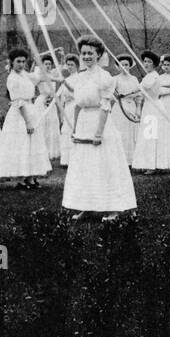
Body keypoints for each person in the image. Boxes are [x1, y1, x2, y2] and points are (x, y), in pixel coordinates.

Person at [61, 36, 136, 221]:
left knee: (104, 164)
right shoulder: (79, 77)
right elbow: (78, 105)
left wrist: (98, 133)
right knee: (85, 166)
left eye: (90, 53)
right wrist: (75, 129)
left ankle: (113, 208)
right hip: (84, 122)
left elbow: (105, 106)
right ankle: (87, 205)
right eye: (83, 53)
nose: (86, 56)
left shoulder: (105, 77)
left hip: (99, 123)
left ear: (99, 55)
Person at [0, 48, 51, 187]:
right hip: (20, 115)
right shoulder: (12, 78)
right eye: (18, 61)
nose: (21, 64)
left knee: (31, 144)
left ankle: (29, 177)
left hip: (31, 109)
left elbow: (37, 78)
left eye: (23, 61)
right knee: (20, 144)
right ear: (11, 62)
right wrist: (28, 122)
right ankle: (19, 178)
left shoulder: (24, 74)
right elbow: (18, 102)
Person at [131, 50, 170, 172]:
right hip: (149, 106)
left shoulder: (153, 76)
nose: (146, 64)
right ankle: (149, 163)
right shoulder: (148, 76)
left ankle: (152, 165)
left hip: (154, 107)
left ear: (154, 64)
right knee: (149, 134)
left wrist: (134, 90)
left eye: (149, 62)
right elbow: (139, 90)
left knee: (151, 134)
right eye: (144, 61)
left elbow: (144, 87)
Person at [106, 54, 141, 161]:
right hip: (120, 108)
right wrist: (120, 102)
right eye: (122, 65)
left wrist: (138, 110)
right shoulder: (115, 79)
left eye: (126, 65)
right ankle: (119, 160)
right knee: (120, 132)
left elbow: (139, 96)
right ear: (118, 66)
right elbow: (111, 95)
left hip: (132, 107)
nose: (124, 67)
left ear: (130, 66)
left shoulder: (134, 79)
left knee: (132, 133)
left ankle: (132, 160)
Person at [36, 53, 63, 161]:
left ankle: (51, 151)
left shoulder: (53, 73)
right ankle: (41, 151)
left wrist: (61, 55)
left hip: (51, 102)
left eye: (49, 64)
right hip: (42, 101)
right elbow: (48, 78)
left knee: (52, 125)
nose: (48, 66)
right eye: (46, 64)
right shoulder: (39, 74)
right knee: (43, 125)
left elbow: (60, 67)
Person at [56, 55, 79, 166]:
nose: (70, 67)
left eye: (72, 65)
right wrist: (61, 113)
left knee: (75, 128)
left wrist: (64, 83)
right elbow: (61, 97)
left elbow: (76, 91)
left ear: (77, 66)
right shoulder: (67, 79)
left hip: (76, 106)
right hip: (68, 107)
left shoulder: (79, 78)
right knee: (66, 130)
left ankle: (76, 158)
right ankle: (67, 160)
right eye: (68, 65)